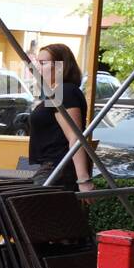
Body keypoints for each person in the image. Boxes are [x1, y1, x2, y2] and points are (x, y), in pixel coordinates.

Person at [28, 43, 93, 191]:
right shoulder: (56, 92)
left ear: (60, 67)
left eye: (43, 63)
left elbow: (75, 137)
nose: (37, 68)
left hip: (59, 168)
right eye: (37, 63)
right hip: (54, 167)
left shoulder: (65, 91)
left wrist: (83, 179)